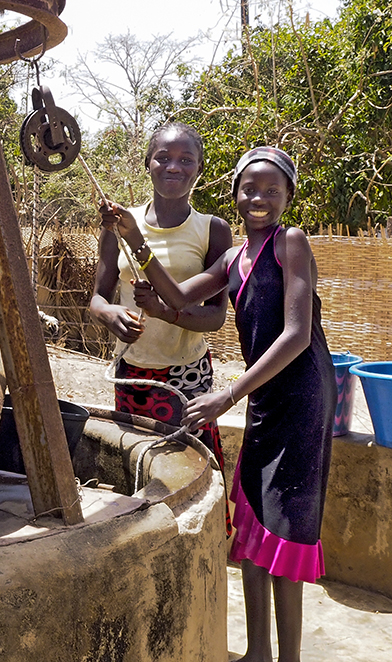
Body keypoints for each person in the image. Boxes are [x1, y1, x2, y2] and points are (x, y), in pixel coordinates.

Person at [102, 146, 335, 662]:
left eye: (272, 190)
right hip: (266, 397)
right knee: (252, 512)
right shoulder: (232, 260)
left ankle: (288, 658)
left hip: (300, 398)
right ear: (234, 193)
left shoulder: (290, 243)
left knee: (286, 521)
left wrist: (228, 394)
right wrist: (137, 242)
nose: (259, 198)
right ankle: (256, 652)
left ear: (288, 197)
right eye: (249, 188)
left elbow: (296, 336)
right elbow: (179, 297)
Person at [89, 122, 233, 501]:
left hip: (186, 372)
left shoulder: (212, 230)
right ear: (147, 163)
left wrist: (167, 312)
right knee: (141, 466)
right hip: (132, 371)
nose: (174, 167)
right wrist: (109, 316)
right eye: (163, 157)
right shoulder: (118, 224)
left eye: (186, 160)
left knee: (190, 472)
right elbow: (97, 298)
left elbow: (216, 318)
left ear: (199, 169)